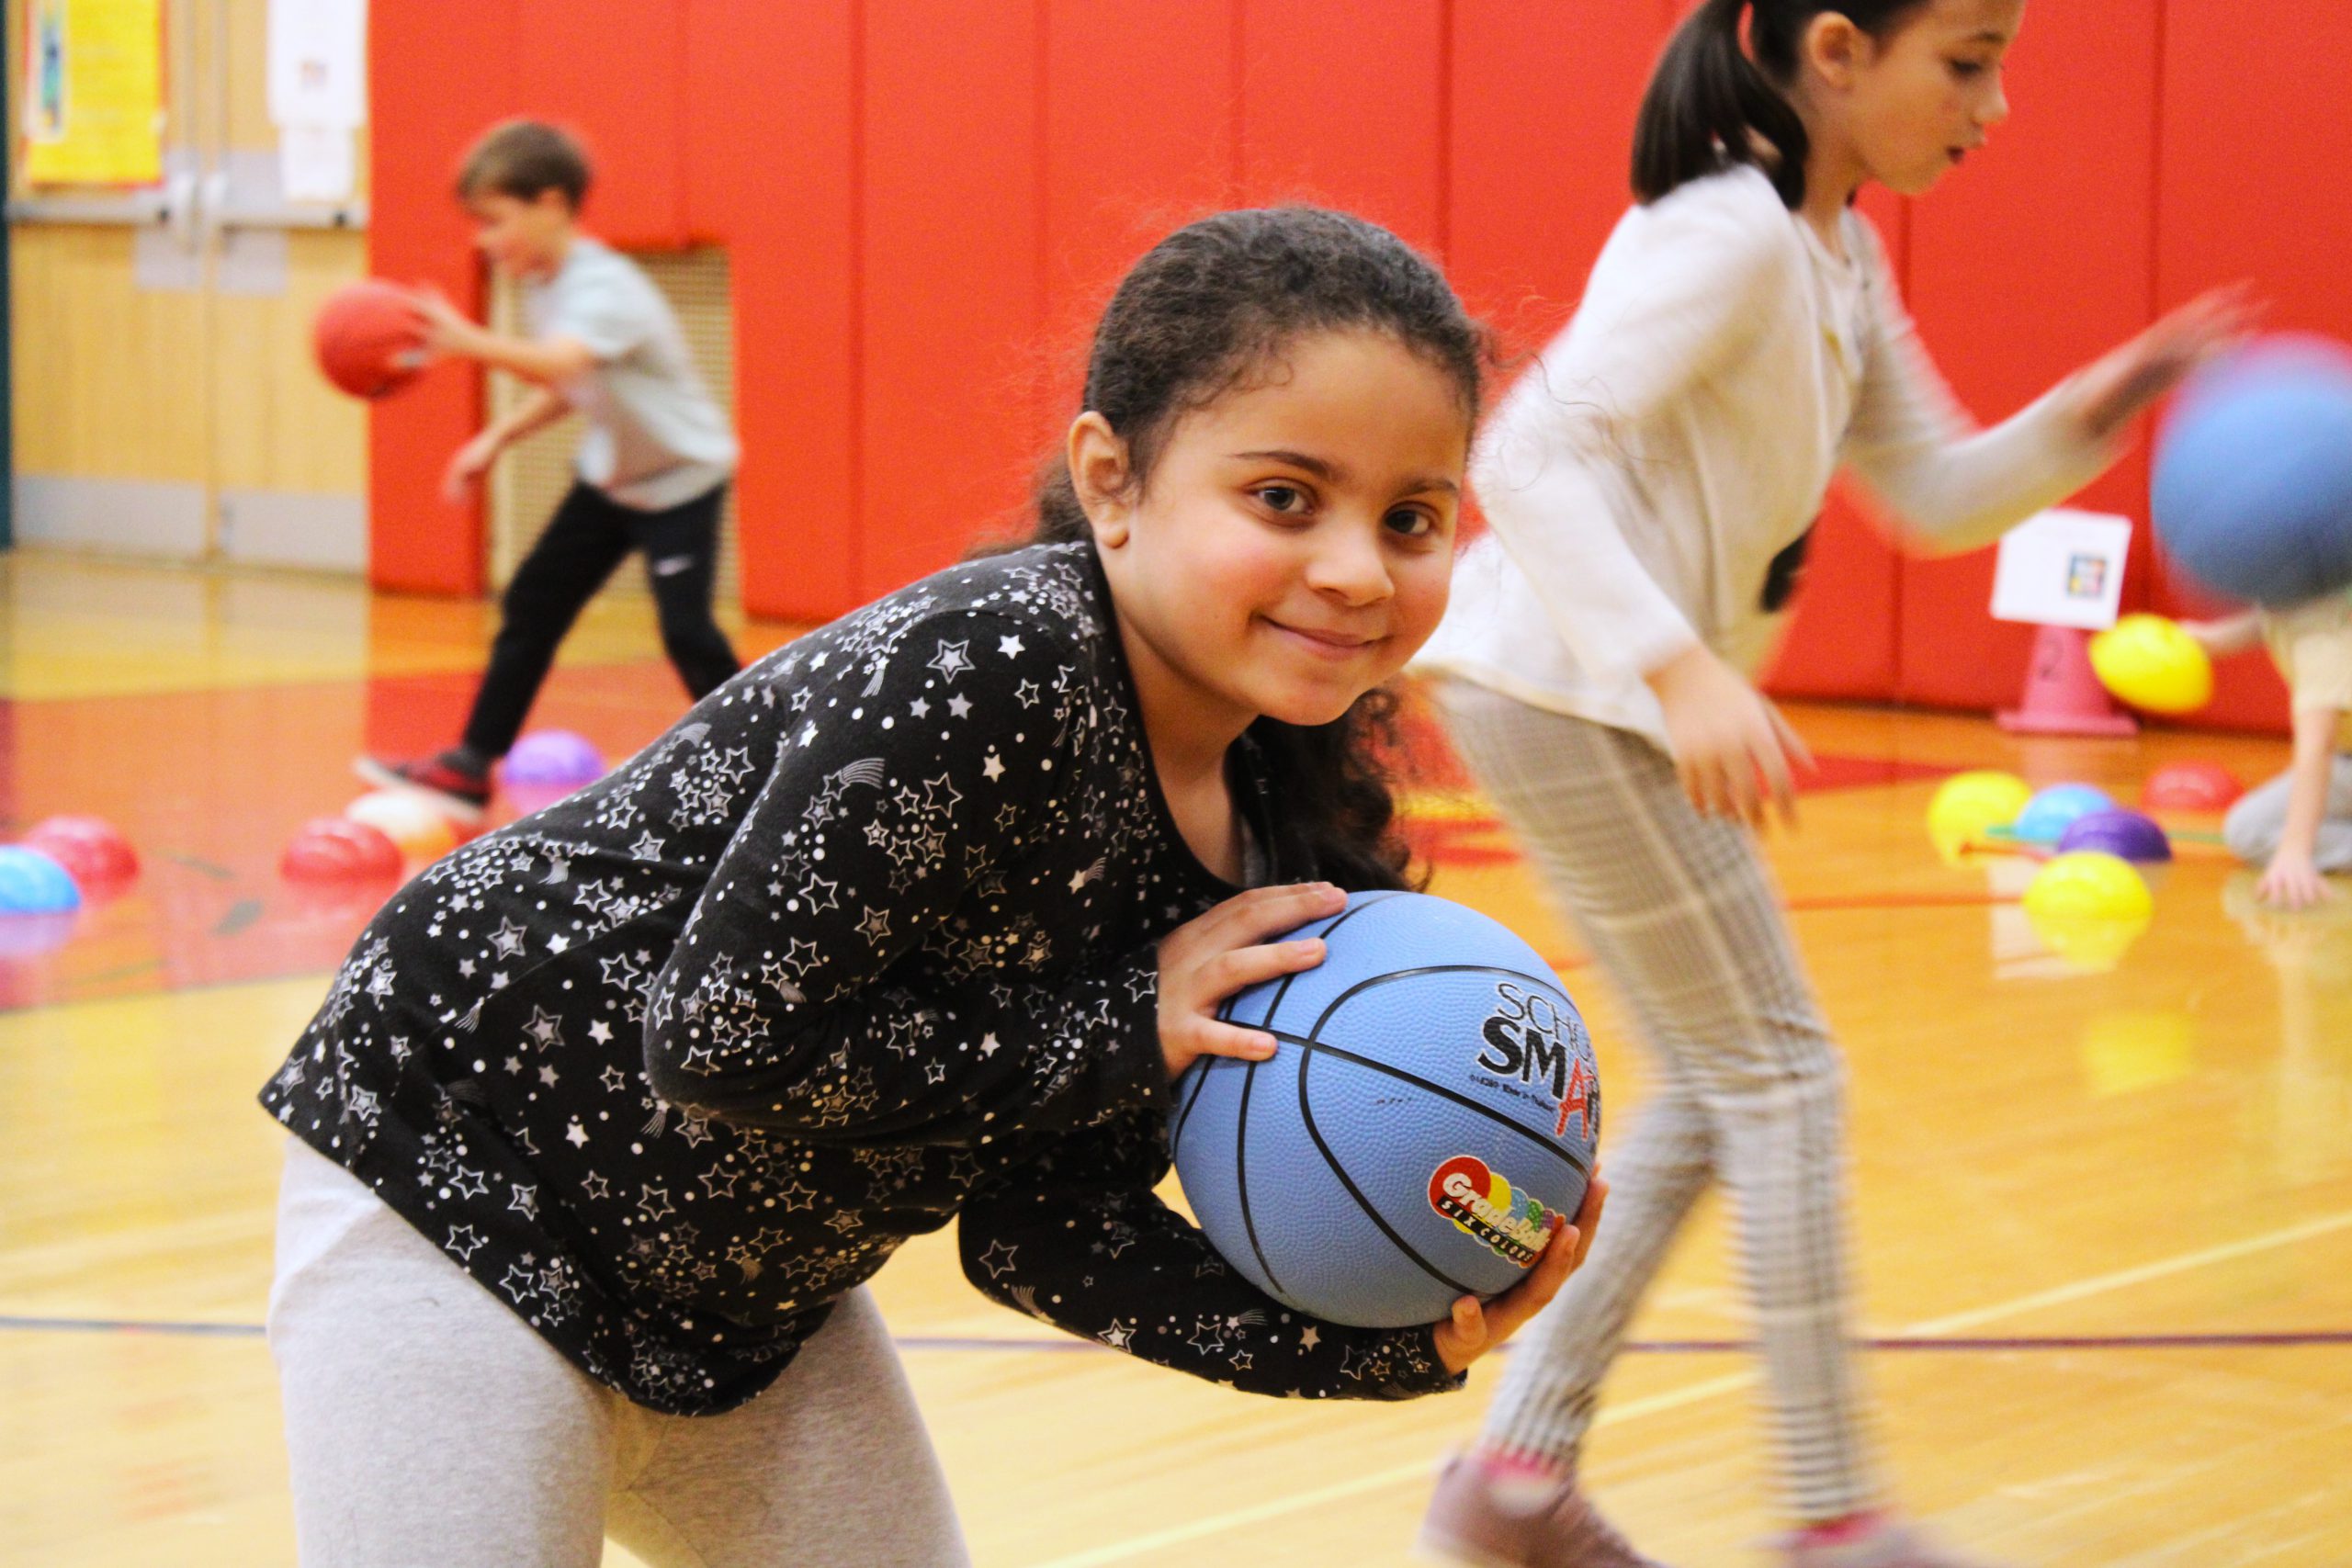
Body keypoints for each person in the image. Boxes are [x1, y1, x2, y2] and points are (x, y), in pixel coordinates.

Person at [263, 206, 1603, 1568]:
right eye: (1282, 497)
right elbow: (721, 1035)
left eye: (1413, 516)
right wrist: (1124, 1021)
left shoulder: (1277, 844)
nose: (1357, 568)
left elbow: (1038, 1229)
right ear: (1112, 480)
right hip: (464, 1169)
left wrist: (1383, 1343)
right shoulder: (991, 668)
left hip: (742, 1305)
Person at [1408, 3, 2246, 1564]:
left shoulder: (1832, 252)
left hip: (1585, 690)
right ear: (1841, 52)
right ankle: (1833, 1518)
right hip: (1565, 684)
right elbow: (1523, 458)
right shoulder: (1726, 232)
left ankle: (1512, 1481)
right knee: (1785, 1071)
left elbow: (1933, 492)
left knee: (1725, 1088)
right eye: (1971, 57)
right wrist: (1680, 668)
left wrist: (2103, 399)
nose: (1994, 105)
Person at [361, 118, 742, 820]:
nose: (482, 240)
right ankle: (472, 766)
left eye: (494, 221)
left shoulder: (606, 286)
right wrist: (497, 438)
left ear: (552, 205)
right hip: (612, 476)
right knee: (532, 604)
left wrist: (462, 340)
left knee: (688, 633)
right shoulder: (546, 284)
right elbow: (570, 385)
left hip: (681, 477)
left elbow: (564, 362)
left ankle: (760, 762)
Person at [2183, 600, 2352, 908]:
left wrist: (2295, 851)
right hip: (2345, 761)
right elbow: (2276, 617)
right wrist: (2211, 639)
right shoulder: (2303, 599)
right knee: (2249, 830)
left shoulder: (2328, 641)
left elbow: (2317, 749)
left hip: (2335, 757)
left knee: (2269, 834)